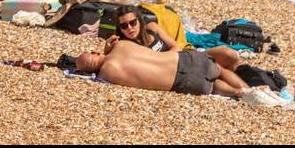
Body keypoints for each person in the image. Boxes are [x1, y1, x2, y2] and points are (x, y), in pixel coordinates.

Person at [76, 38, 252, 98]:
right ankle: (252, 91)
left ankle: (239, 93)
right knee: (220, 71)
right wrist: (108, 49)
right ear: (95, 53)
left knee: (213, 87)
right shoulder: (121, 45)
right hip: (181, 59)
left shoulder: (107, 74)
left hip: (181, 82)